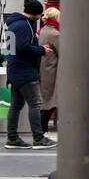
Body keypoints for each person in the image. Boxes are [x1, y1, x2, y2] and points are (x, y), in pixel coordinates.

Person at [5, 0, 54, 149]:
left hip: (15, 69)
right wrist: (41, 50)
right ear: (35, 13)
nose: (41, 17)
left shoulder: (14, 24)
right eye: (39, 14)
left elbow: (14, 48)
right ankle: (38, 138)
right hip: (25, 71)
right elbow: (23, 47)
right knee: (35, 104)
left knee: (16, 105)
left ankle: (12, 138)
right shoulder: (24, 26)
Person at [38, 7, 60, 135]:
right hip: (51, 70)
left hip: (43, 68)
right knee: (50, 102)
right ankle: (42, 129)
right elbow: (63, 52)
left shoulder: (42, 30)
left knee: (45, 100)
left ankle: (42, 129)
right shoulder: (55, 34)